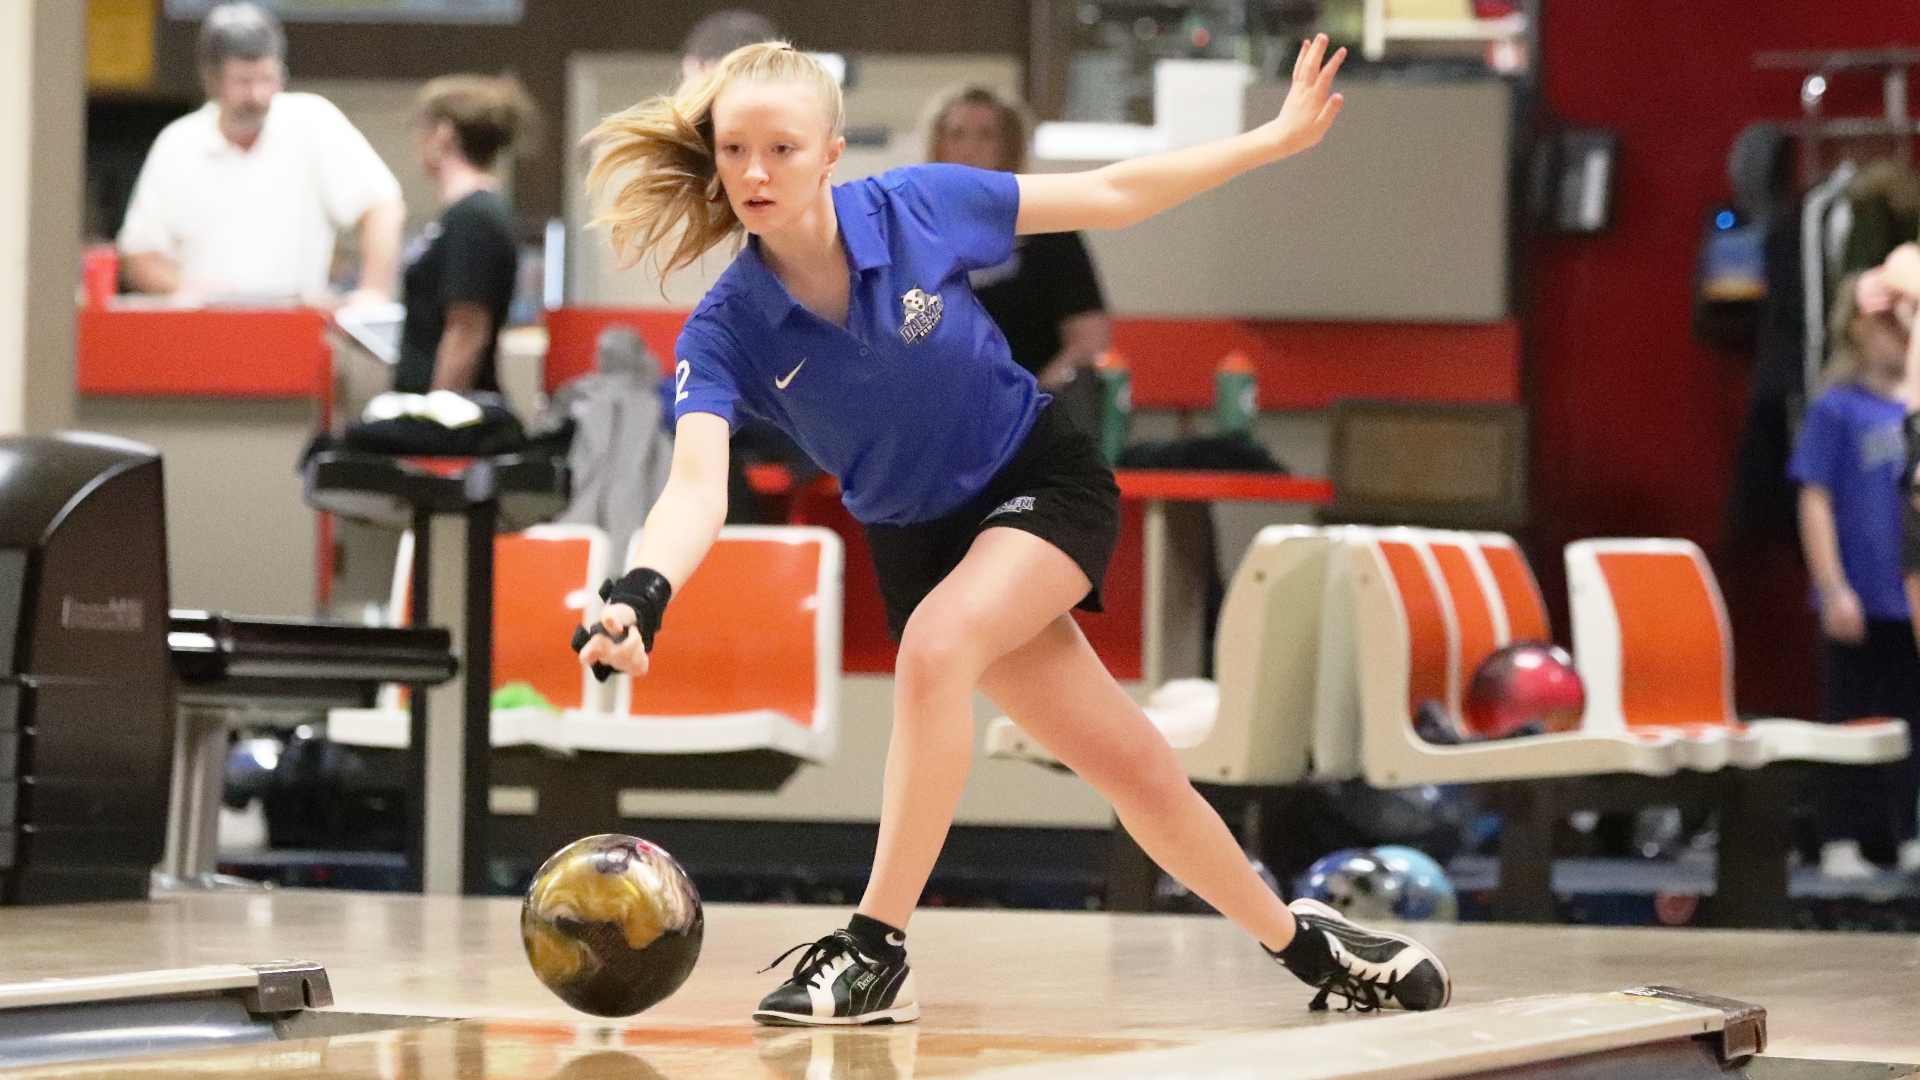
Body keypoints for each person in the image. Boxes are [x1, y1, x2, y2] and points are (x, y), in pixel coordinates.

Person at [578, 40, 1448, 1025]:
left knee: (938, 647)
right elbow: (696, 487)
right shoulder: (728, 326)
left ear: (832, 151)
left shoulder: (915, 207)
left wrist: (1268, 141)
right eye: (735, 150)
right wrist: (639, 590)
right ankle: (1311, 946)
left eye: (781, 147)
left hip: (1039, 482)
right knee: (1137, 772)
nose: (755, 173)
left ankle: (872, 946)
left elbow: (1115, 192)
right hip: (921, 543)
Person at [117, 2, 403, 305]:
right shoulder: (178, 143)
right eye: (243, 83)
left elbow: (382, 206)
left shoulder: (312, 122)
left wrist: (374, 292)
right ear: (212, 80)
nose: (257, 96)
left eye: (267, 80)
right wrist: (184, 286)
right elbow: (139, 253)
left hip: (295, 322)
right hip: (205, 327)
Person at [926, 85, 1111, 394]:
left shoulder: (1051, 231)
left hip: (1030, 402)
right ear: (937, 145)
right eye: (957, 134)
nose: (969, 148)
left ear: (1009, 147)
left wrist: (1033, 399)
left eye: (985, 135)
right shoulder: (912, 230)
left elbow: (1088, 340)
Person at [394, 75, 533, 394]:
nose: (416, 141)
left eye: (421, 129)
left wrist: (438, 416)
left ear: (443, 134)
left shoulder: (475, 218)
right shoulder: (458, 217)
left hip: (452, 415)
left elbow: (466, 331)